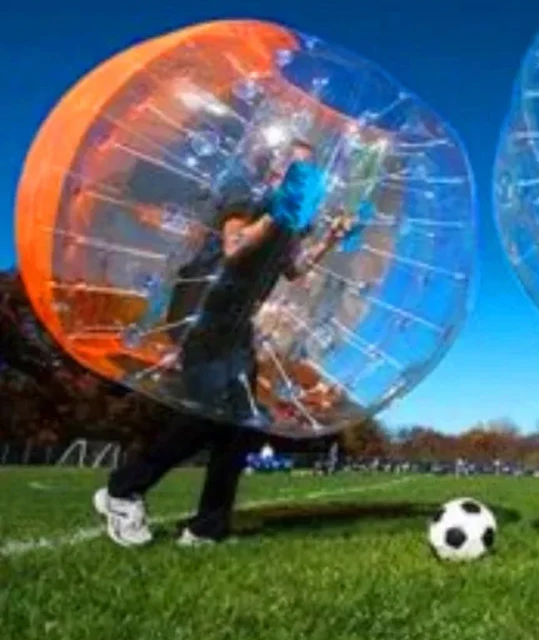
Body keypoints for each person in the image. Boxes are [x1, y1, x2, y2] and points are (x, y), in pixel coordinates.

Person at [94, 139, 356, 548]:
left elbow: (291, 269)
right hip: (202, 309)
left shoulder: (291, 219)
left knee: (243, 423)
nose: (305, 174)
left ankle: (207, 528)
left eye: (310, 168)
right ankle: (123, 490)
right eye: (298, 165)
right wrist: (275, 211)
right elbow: (234, 248)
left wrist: (329, 241)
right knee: (209, 414)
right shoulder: (243, 194)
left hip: (236, 324)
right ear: (277, 166)